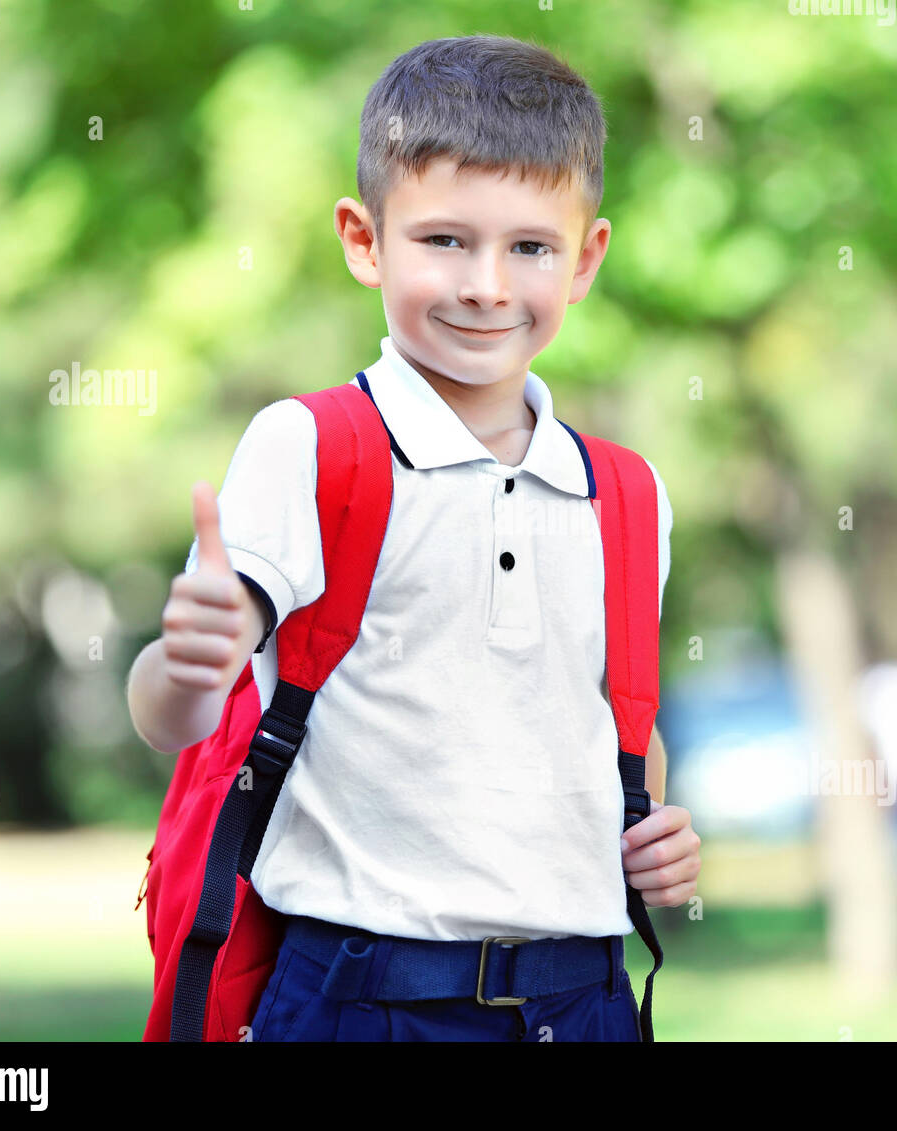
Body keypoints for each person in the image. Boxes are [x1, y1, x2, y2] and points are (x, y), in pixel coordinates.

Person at [127, 33, 701, 1042]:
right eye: (443, 240)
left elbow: (616, 729)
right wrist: (188, 660)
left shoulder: (627, 493)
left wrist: (654, 835)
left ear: (586, 260)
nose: (485, 284)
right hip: (365, 998)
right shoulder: (310, 446)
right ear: (363, 239)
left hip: (585, 1000)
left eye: (530, 247)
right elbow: (169, 717)